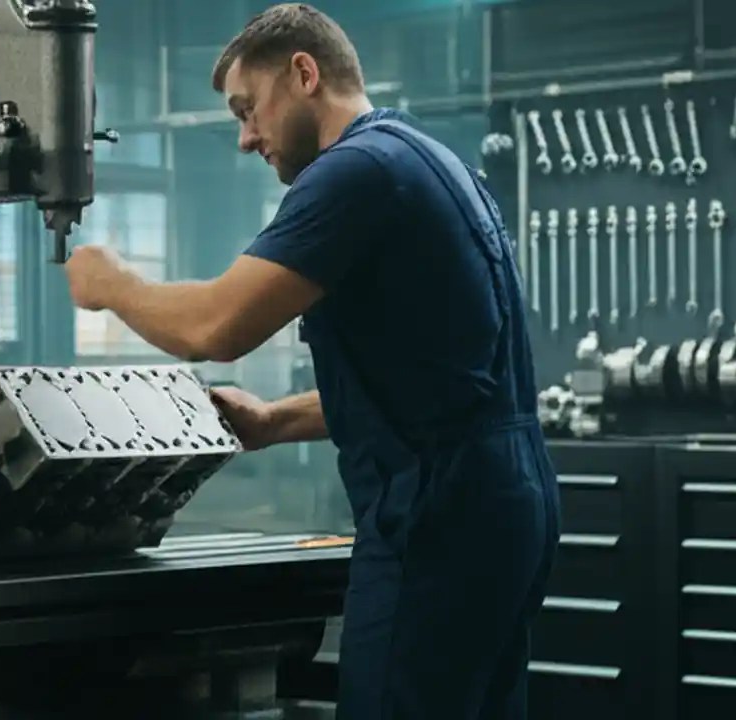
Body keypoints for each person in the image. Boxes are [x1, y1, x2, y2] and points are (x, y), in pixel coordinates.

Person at [62, 3, 560, 718]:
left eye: (247, 108)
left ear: (303, 72)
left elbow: (215, 327)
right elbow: (436, 385)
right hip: (507, 508)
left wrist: (112, 285)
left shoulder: (352, 172)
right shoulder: (432, 161)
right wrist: (270, 420)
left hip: (435, 521)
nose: (244, 138)